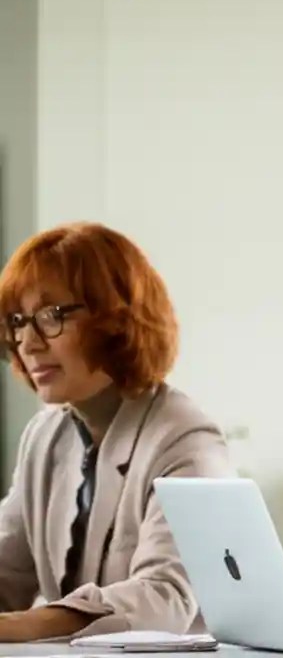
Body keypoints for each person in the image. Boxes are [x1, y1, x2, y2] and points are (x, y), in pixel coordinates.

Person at [0, 222, 233, 641]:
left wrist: (19, 626)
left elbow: (164, 599)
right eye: (19, 321)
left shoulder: (185, 438)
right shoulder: (43, 436)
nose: (28, 343)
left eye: (51, 316)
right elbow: (6, 572)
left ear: (116, 317)